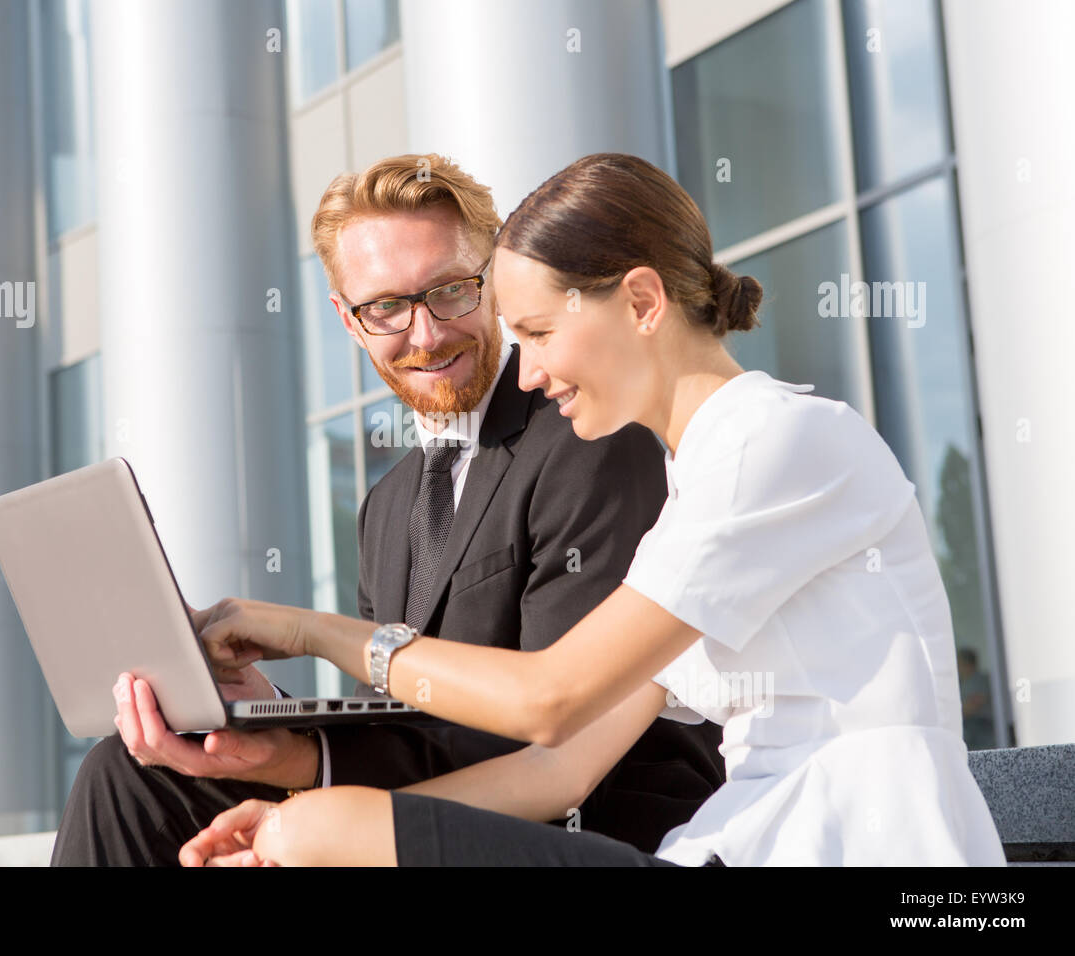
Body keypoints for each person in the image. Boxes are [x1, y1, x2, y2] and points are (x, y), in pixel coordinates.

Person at [184, 152, 1008, 867]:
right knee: (309, 835)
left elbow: (548, 698)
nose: (530, 372)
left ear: (642, 302)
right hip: (751, 843)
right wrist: (308, 820)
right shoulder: (700, 486)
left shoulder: (778, 440)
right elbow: (557, 769)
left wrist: (315, 634)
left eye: (539, 332)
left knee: (323, 835)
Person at [49, 154, 725, 866]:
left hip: (587, 826)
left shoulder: (588, 435)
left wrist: (302, 758)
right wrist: (261, 707)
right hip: (445, 808)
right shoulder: (387, 504)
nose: (427, 334)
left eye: (450, 291)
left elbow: (551, 731)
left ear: (494, 279)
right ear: (348, 319)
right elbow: (406, 721)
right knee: (128, 775)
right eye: (386, 308)